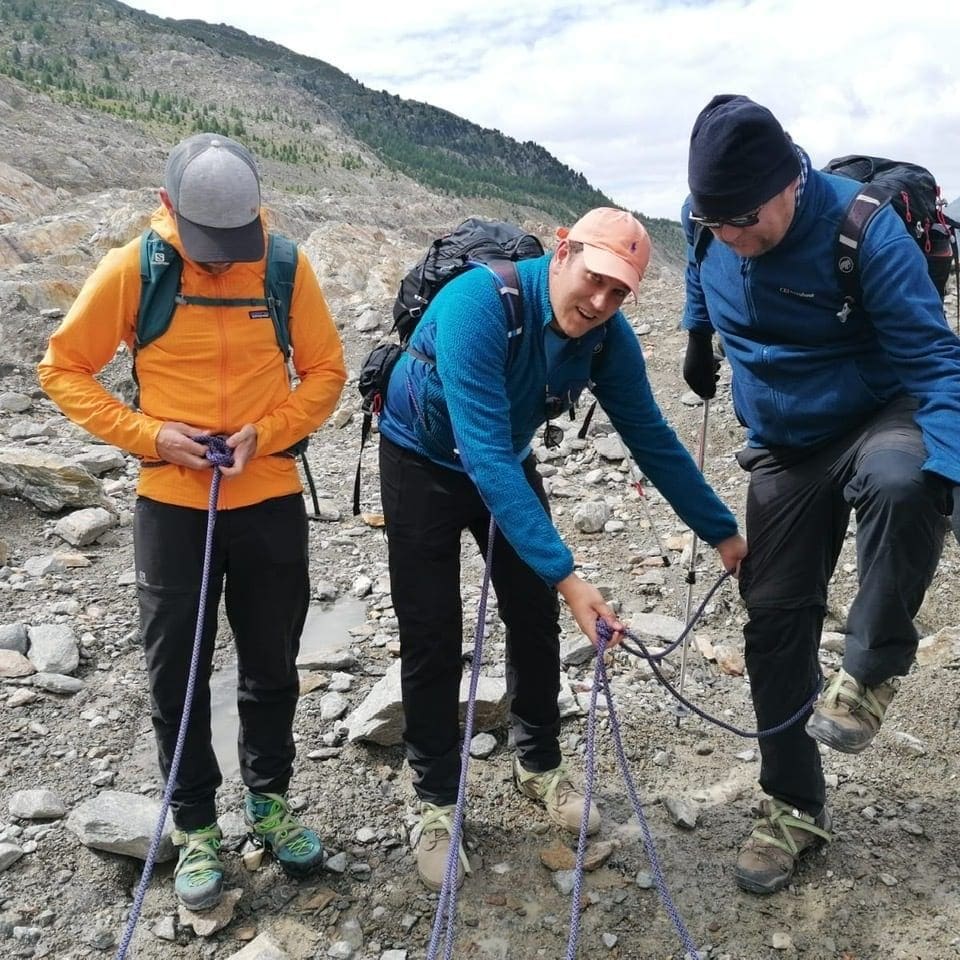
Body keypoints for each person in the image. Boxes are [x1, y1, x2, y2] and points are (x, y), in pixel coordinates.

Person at [377, 206, 748, 890]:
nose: (601, 301)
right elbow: (483, 453)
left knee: (533, 615)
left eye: (620, 293)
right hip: (423, 459)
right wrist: (571, 577)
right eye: (595, 279)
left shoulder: (606, 338)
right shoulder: (477, 305)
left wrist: (723, 532)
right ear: (563, 251)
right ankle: (433, 803)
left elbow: (652, 439)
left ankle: (539, 765)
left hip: (502, 456)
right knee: (432, 631)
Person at [38, 133, 347, 910]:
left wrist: (264, 433)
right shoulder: (134, 268)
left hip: (269, 498)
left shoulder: (282, 264)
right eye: (206, 245)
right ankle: (195, 822)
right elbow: (62, 367)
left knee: (273, 662)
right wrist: (153, 437)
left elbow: (326, 372)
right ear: (167, 205)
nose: (217, 259)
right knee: (176, 673)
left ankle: (270, 803)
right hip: (173, 508)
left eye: (230, 243)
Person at [680, 94, 960, 895]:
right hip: (783, 446)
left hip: (878, 412)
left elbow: (938, 365)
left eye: (745, 220)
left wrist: (953, 467)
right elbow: (702, 262)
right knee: (772, 624)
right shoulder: (708, 221)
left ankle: (870, 669)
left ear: (788, 182)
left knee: (908, 480)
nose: (732, 235)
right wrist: (698, 334)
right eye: (716, 221)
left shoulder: (865, 234)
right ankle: (793, 807)